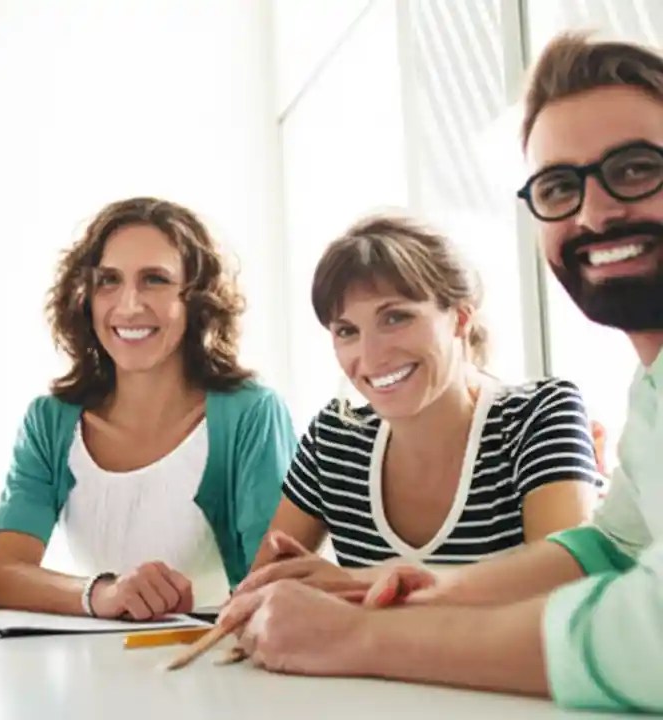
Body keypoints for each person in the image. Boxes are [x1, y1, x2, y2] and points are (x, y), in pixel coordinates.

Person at [216, 32, 663, 713]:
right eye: (558, 187)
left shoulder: (541, 410)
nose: (595, 212)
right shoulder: (651, 391)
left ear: (460, 315)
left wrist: (362, 635)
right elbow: (612, 543)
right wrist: (409, 585)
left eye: (635, 169)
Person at [235, 214, 599, 590]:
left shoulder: (540, 415)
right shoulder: (335, 438)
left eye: (395, 318)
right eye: (347, 331)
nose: (371, 356)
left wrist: (361, 584)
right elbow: (262, 593)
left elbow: (564, 588)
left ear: (460, 319)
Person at [0, 197, 297, 619]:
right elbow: (4, 577)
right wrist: (104, 594)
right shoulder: (50, 422)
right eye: (108, 281)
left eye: (155, 280)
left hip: (219, 667)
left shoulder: (250, 415)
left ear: (196, 299)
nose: (129, 305)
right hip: (100, 668)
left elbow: (279, 585)